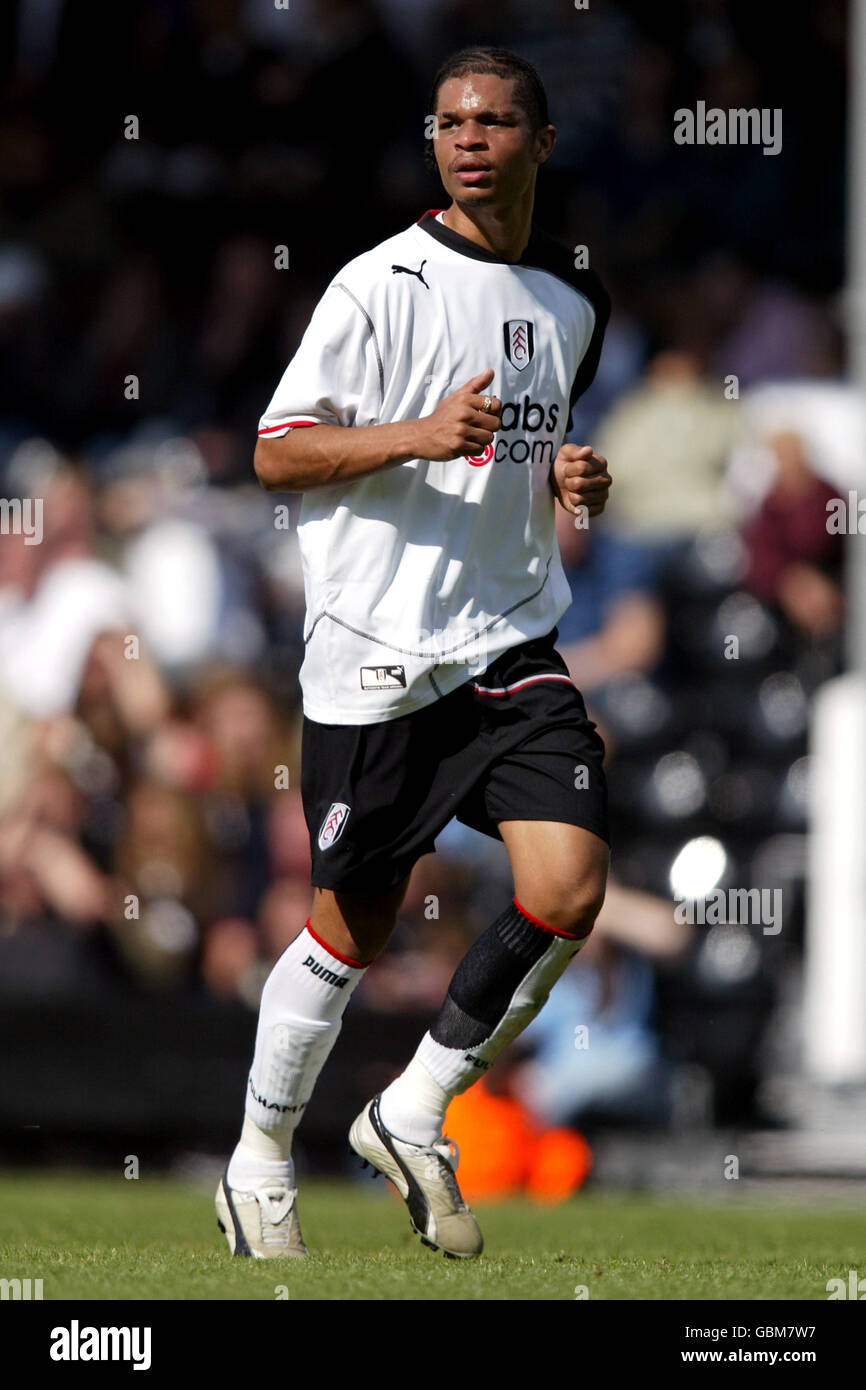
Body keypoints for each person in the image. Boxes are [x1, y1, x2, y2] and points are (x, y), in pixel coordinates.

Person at [215, 46, 613, 1261]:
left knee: (569, 884)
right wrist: (417, 433)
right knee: (352, 929)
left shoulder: (570, 304)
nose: (469, 140)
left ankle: (412, 1108)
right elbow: (277, 453)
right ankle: (258, 1159)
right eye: (449, 123)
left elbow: (517, 457)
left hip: (507, 641)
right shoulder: (375, 285)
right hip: (378, 658)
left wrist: (568, 477)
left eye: (494, 122)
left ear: (541, 141)